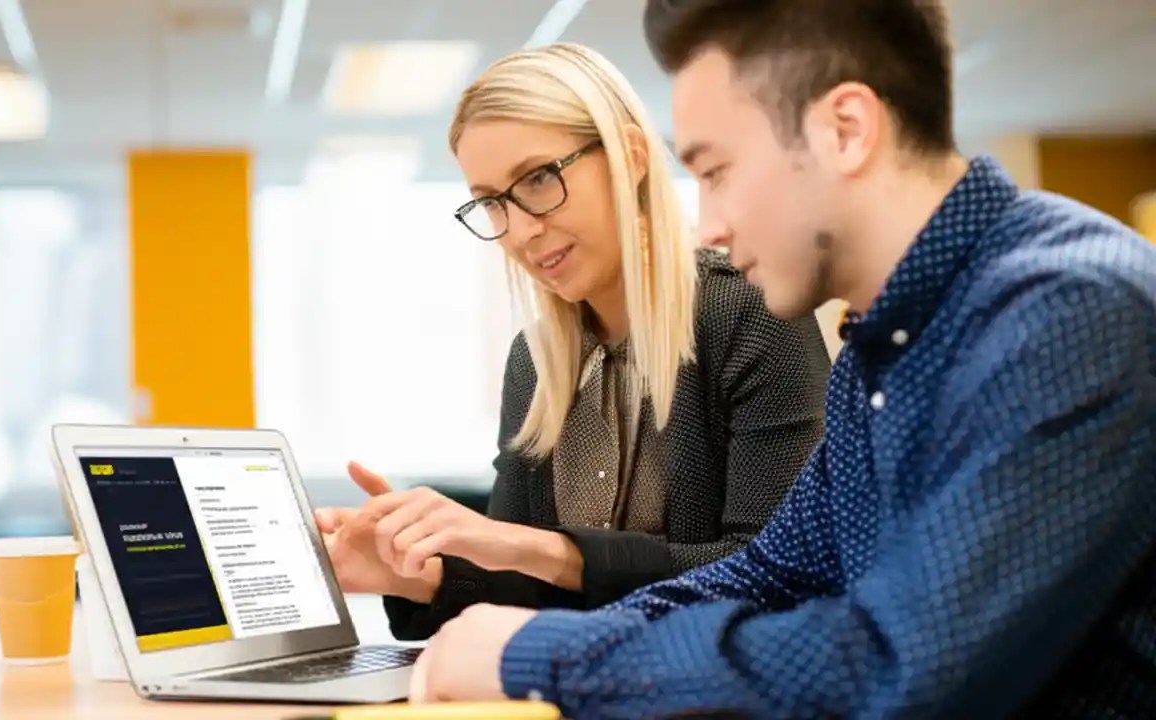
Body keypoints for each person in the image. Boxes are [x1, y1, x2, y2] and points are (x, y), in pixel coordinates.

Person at [406, 1, 1156, 718]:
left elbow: (897, 670)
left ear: (846, 130)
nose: (712, 224)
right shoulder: (883, 346)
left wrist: (543, 656)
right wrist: (519, 641)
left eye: (718, 170)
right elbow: (769, 575)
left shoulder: (1067, 309)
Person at [313, 43, 831, 641]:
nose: (523, 230)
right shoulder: (535, 362)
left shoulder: (748, 313)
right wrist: (415, 574)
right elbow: (517, 591)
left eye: (537, 179)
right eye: (491, 201)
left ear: (629, 157)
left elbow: (777, 578)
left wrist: (546, 550)